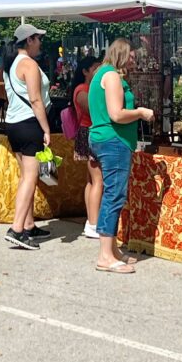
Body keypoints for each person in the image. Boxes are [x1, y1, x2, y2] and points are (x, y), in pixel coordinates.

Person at [87, 39, 153, 274]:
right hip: (113, 141)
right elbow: (116, 114)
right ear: (123, 55)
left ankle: (112, 249)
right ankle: (105, 255)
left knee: (110, 192)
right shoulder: (112, 76)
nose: (135, 62)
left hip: (103, 139)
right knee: (114, 195)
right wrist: (140, 112)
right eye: (133, 57)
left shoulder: (100, 74)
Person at [3, 24, 55, 250]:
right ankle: (16, 228)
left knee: (26, 175)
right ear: (30, 40)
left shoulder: (11, 63)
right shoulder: (29, 64)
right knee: (30, 178)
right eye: (38, 39)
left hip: (14, 123)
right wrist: (46, 128)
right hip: (29, 123)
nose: (40, 43)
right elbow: (36, 100)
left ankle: (28, 223)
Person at [71, 55, 102, 240]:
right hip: (88, 131)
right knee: (97, 180)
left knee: (93, 180)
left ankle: (91, 220)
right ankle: (93, 222)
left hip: (91, 131)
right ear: (85, 71)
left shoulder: (91, 88)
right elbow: (92, 109)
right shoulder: (82, 90)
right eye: (95, 68)